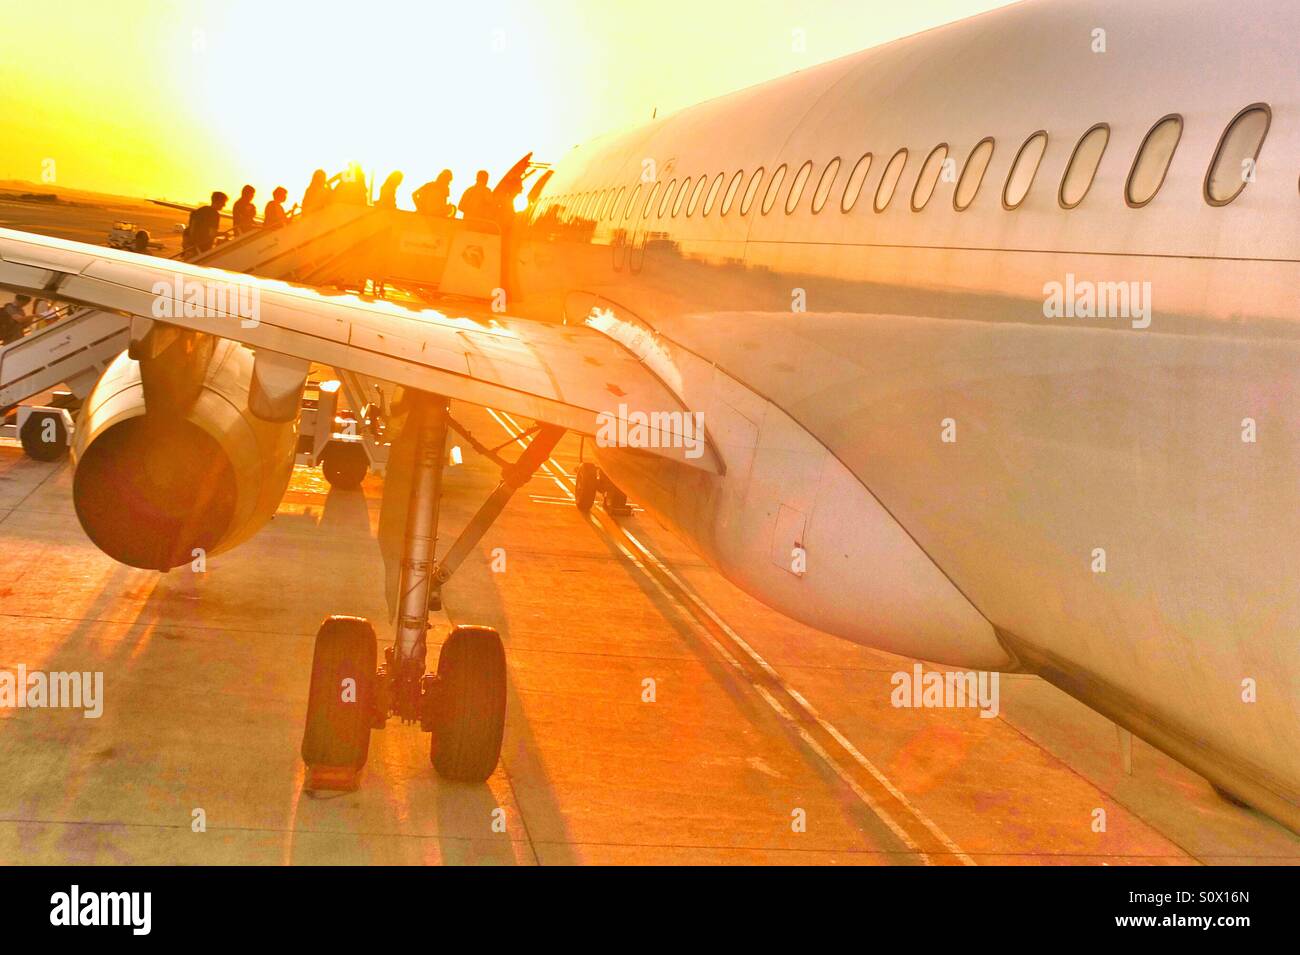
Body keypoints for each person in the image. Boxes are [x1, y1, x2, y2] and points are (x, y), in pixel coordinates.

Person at [183, 191, 227, 255]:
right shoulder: (214, 214)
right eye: (223, 202)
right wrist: (224, 234)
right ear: (218, 201)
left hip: (191, 246)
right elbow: (212, 233)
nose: (224, 205)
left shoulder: (201, 210)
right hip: (202, 248)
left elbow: (191, 227)